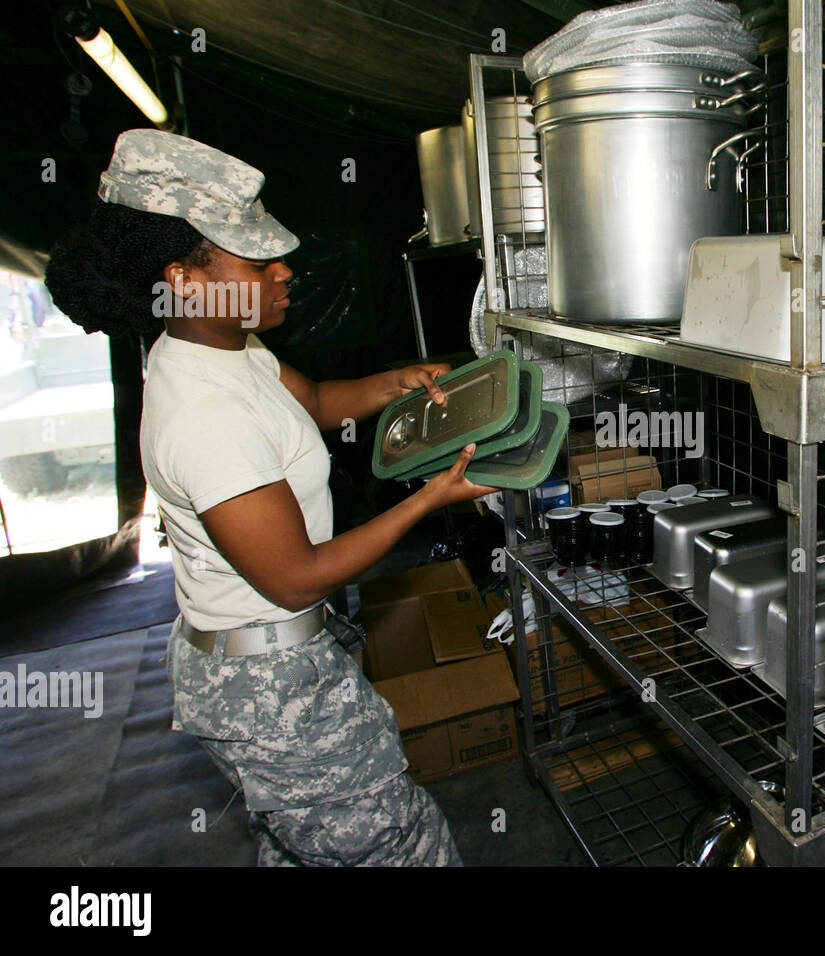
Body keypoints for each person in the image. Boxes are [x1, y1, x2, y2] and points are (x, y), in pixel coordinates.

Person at [44, 128, 496, 866]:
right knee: (399, 849)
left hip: (268, 662)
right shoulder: (205, 415)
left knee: (302, 848)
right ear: (186, 278)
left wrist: (395, 384)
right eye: (257, 260)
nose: (285, 270)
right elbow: (295, 575)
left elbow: (313, 398)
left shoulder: (221, 346)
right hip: (271, 688)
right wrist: (430, 498)